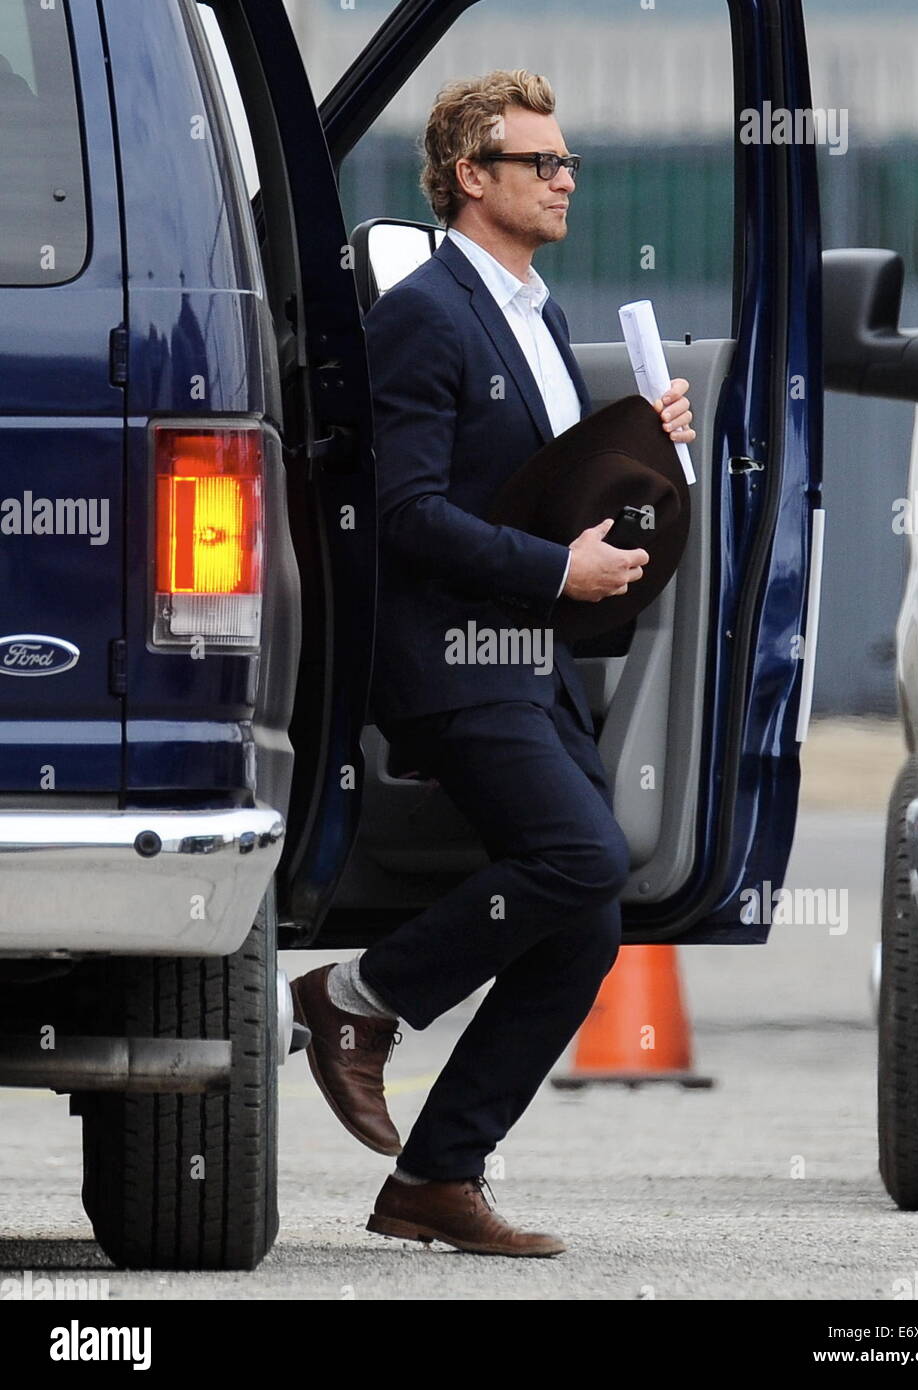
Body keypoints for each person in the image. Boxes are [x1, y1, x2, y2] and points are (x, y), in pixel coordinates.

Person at [292, 68, 695, 1257]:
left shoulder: (534, 312)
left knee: (581, 919)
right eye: (543, 163)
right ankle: (354, 998)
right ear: (472, 176)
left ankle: (434, 1176)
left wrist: (630, 438)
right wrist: (549, 575)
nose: (567, 179)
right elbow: (405, 511)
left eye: (567, 162)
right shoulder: (425, 315)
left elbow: (521, 479)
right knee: (578, 854)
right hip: (453, 660)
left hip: (529, 662)